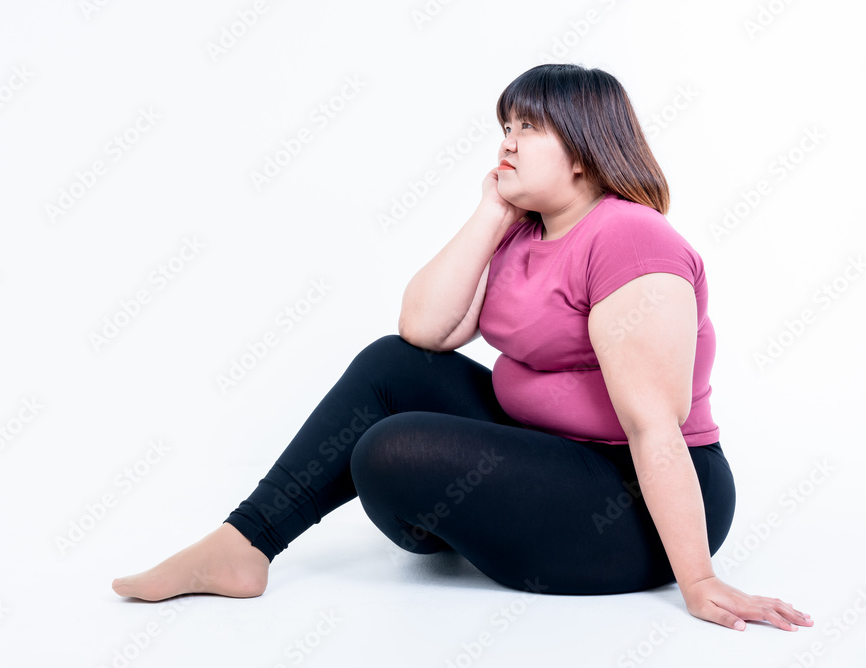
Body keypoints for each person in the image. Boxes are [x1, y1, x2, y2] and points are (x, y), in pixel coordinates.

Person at [112, 63, 812, 632]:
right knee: (390, 367)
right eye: (505, 125)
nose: (506, 141)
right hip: (551, 456)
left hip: (635, 499)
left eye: (529, 127)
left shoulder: (629, 238)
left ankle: (536, 531)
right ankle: (243, 545)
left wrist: (697, 579)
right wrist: (490, 212)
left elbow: (651, 424)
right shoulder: (522, 231)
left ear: (583, 150)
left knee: (389, 451)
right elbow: (424, 333)